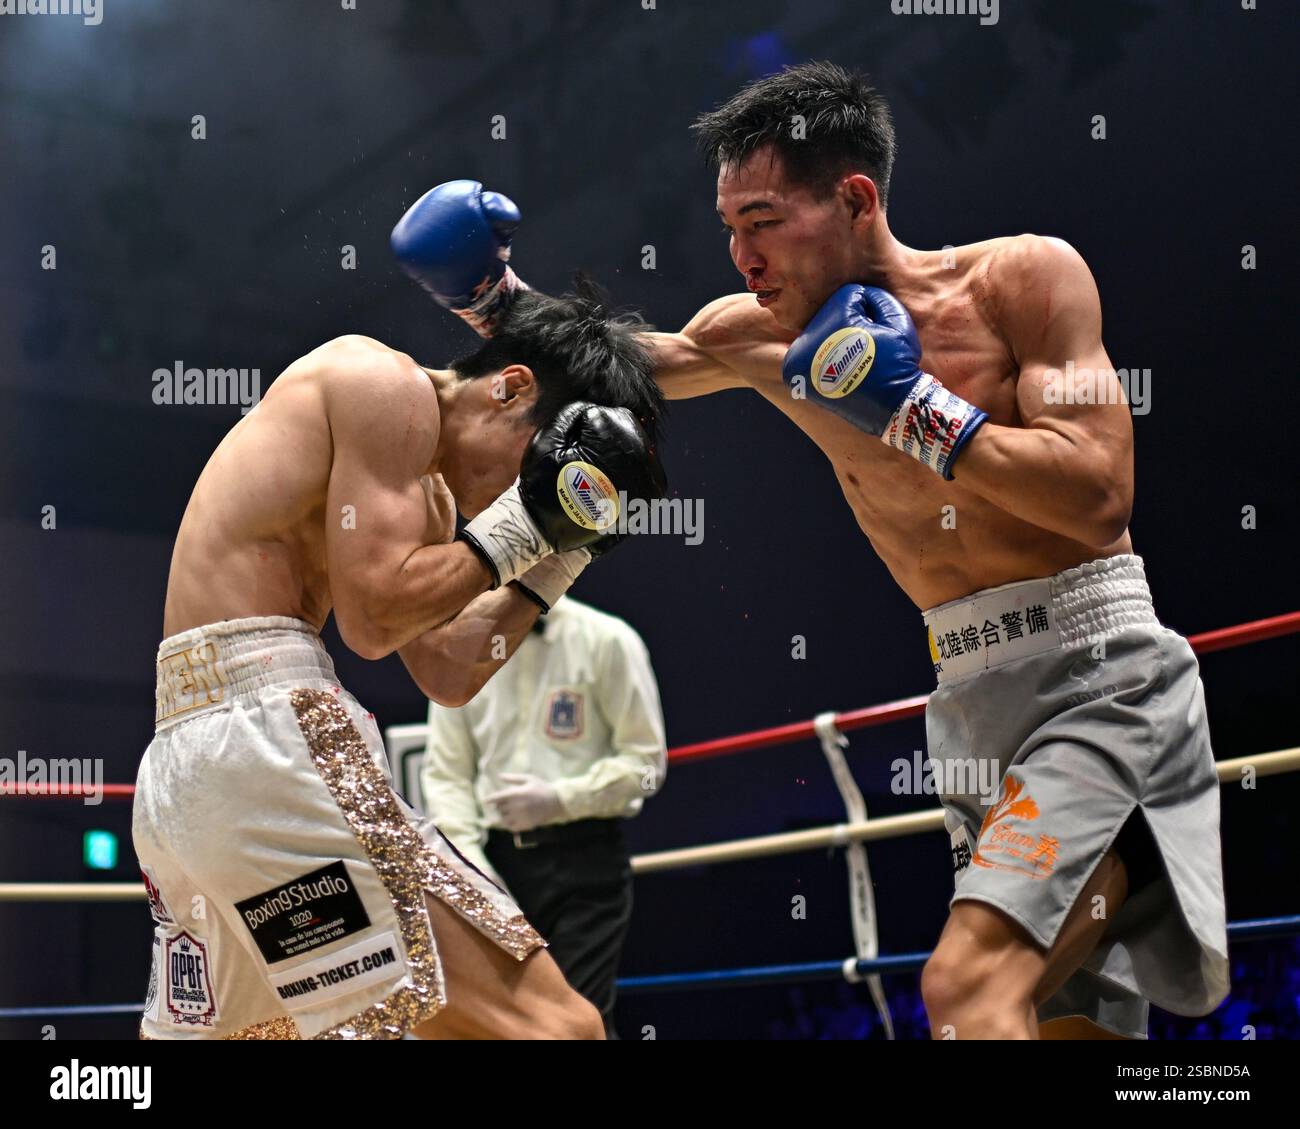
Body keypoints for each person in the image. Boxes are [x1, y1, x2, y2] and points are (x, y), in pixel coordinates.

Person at [399, 61, 1229, 1039]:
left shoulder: (1021, 279)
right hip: (967, 698)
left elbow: (1096, 495)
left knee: (967, 990)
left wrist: (911, 411)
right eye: (728, 231)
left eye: (762, 221)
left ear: (855, 198)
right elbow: (617, 363)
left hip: (1096, 681)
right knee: (1057, 1022)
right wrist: (489, 296)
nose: (742, 257)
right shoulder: (753, 337)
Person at [132, 265, 667, 1039]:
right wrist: (525, 524)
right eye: (535, 468)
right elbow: (374, 619)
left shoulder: (430, 495)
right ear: (511, 389)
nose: (522, 495)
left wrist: (559, 556)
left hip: (199, 777)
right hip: (267, 745)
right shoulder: (383, 383)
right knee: (559, 1028)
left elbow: (446, 668)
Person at [421, 597, 667, 1037]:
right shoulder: (462, 651)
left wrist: (562, 798)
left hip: (586, 862)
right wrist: (472, 867)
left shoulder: (607, 639)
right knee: (504, 1024)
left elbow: (647, 766)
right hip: (493, 865)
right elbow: (447, 774)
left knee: (576, 1021)